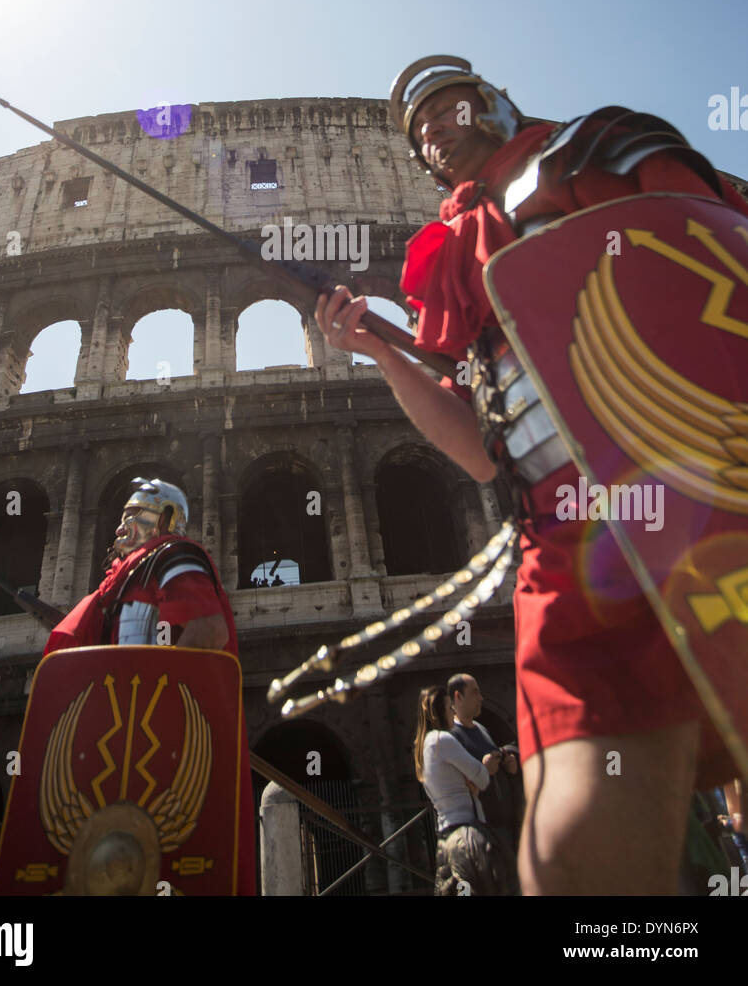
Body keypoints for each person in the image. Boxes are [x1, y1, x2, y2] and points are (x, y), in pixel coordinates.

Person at [316, 55, 748, 896]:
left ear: (495, 101)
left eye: (448, 107)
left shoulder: (598, 147)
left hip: (703, 490)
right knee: (575, 858)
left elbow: (713, 269)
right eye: (420, 131)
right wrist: (377, 352)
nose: (435, 131)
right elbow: (482, 449)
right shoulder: (449, 252)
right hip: (564, 548)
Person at [44, 476, 256, 896]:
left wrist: (160, 718)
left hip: (150, 741)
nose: (121, 527)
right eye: (121, 517)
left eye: (134, 516)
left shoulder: (172, 555)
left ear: (167, 519)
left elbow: (207, 630)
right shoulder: (124, 580)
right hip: (117, 739)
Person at [413, 684, 514, 896]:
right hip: (467, 834)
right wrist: (484, 768)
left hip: (445, 837)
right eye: (449, 708)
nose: (453, 712)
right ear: (438, 712)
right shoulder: (443, 740)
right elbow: (481, 776)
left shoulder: (424, 746)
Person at [448, 673, 522, 853]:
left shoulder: (482, 729)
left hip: (504, 827)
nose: (481, 698)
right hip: (482, 830)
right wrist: (483, 769)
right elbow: (456, 786)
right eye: (475, 693)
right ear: (458, 697)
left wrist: (508, 765)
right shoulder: (450, 738)